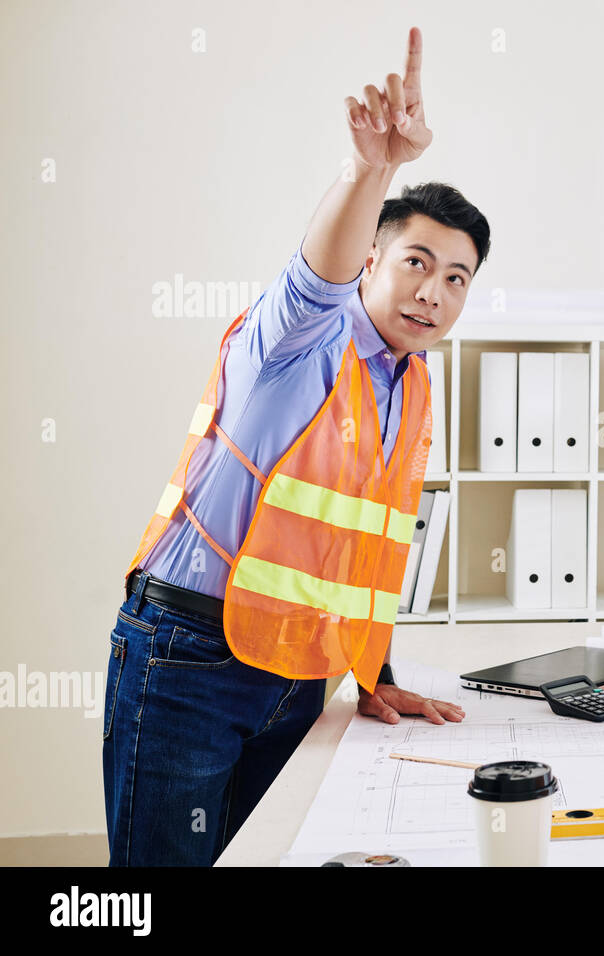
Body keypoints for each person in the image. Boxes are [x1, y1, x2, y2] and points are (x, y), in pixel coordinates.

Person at [103, 27, 484, 865]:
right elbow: (317, 275)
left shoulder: (411, 381)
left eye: (458, 278)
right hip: (187, 656)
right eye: (417, 261)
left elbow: (371, 544)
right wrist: (372, 168)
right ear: (373, 259)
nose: (435, 291)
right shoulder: (299, 339)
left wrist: (374, 674)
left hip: (298, 666)